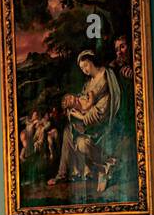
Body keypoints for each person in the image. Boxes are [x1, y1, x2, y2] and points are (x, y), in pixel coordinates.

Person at [49, 50, 123, 193]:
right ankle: (62, 174)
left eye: (86, 65)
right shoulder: (89, 83)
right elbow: (83, 101)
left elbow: (102, 109)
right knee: (68, 130)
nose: (85, 70)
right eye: (82, 68)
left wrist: (82, 115)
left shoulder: (106, 76)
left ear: (92, 61)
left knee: (81, 143)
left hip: (103, 126)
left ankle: (105, 166)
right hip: (89, 124)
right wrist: (74, 108)